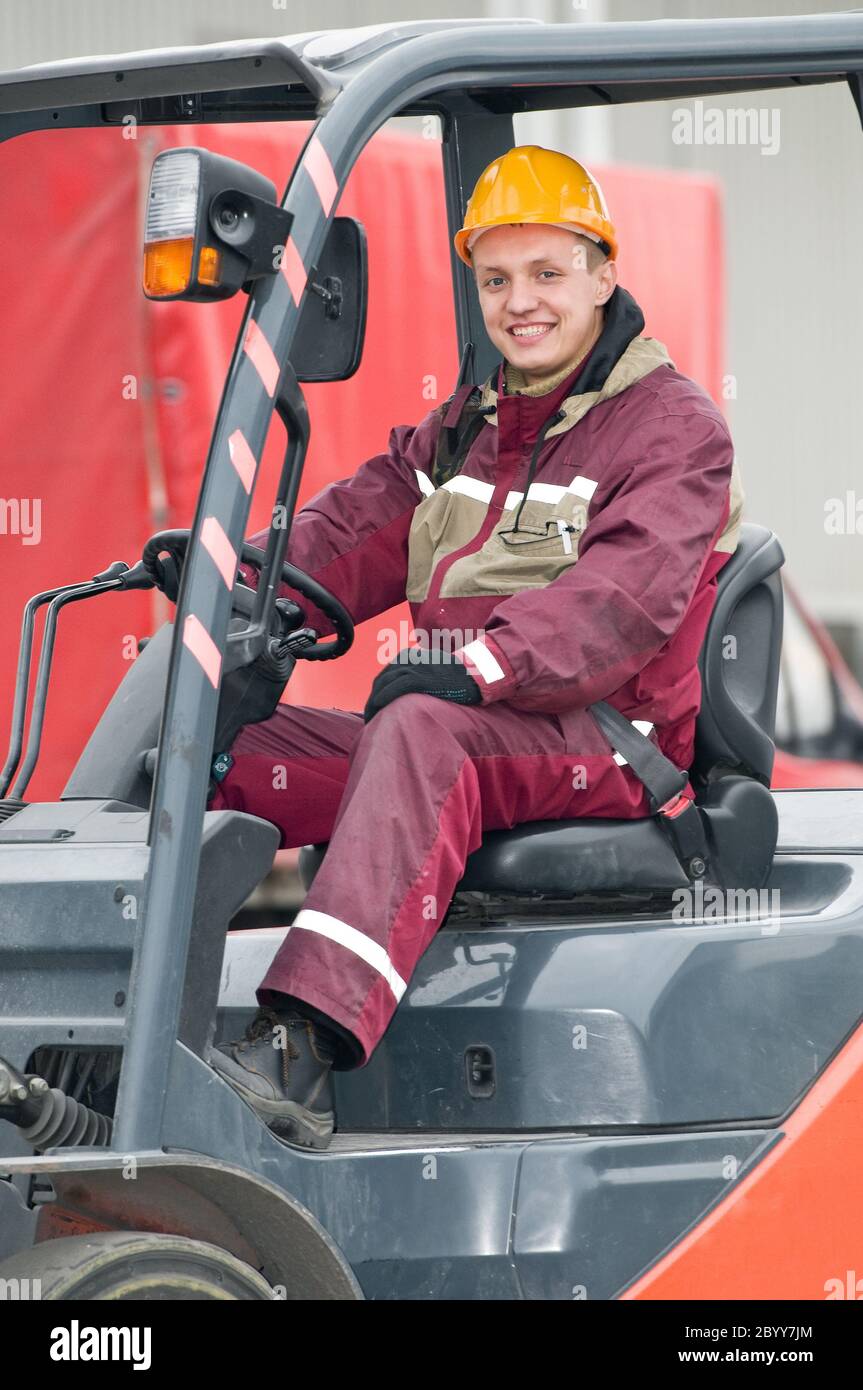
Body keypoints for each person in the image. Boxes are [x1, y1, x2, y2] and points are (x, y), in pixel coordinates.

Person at [208, 145, 741, 1148]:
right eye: (495, 279)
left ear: (601, 272)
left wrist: (473, 666)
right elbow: (359, 524)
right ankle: (138, 1009)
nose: (519, 302)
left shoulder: (671, 429)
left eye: (546, 273)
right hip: (464, 730)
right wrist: (236, 586)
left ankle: (298, 1046)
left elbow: (615, 607)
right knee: (226, 740)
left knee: (415, 728)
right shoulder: (470, 423)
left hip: (600, 739)